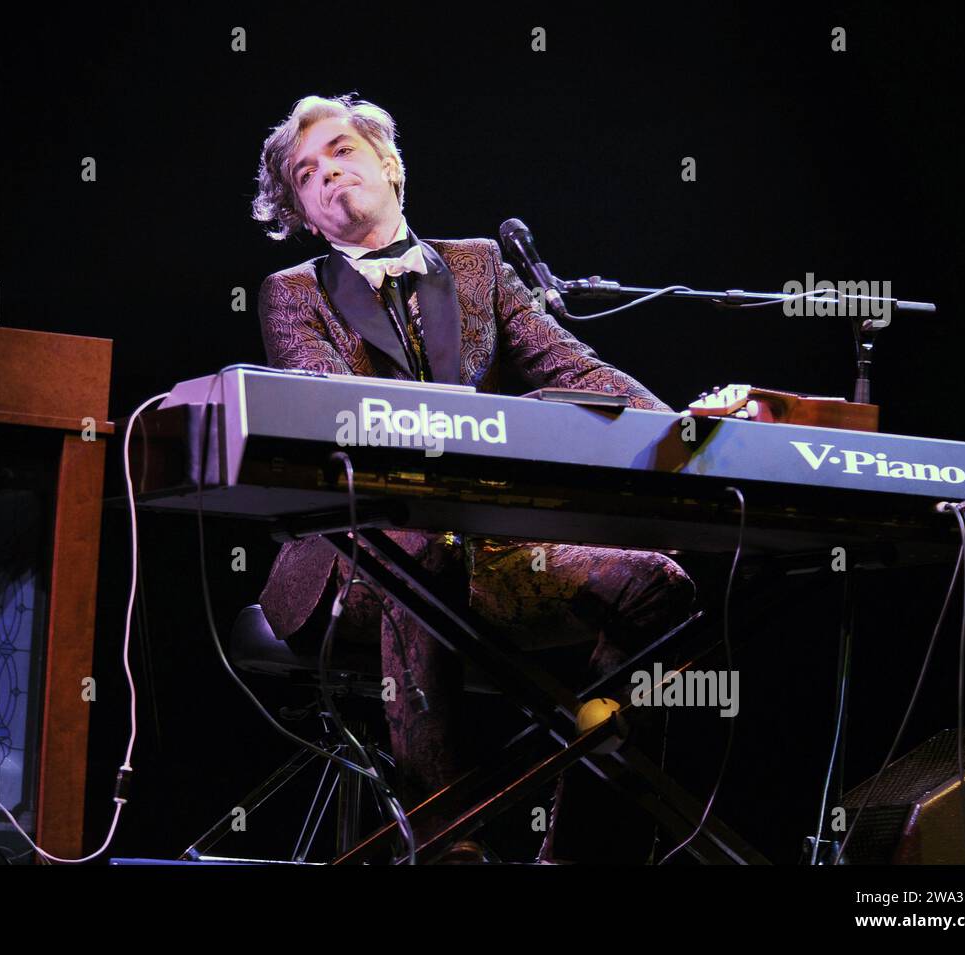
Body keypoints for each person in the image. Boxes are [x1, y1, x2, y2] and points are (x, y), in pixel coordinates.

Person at [250, 93, 695, 862]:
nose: (324, 175)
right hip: (360, 559)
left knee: (660, 589)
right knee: (415, 541)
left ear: (388, 163)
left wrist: (692, 433)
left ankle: (587, 850)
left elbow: (578, 372)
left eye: (339, 152)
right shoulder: (294, 292)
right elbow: (332, 417)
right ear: (303, 212)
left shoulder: (480, 265)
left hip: (492, 549)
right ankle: (450, 842)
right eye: (304, 175)